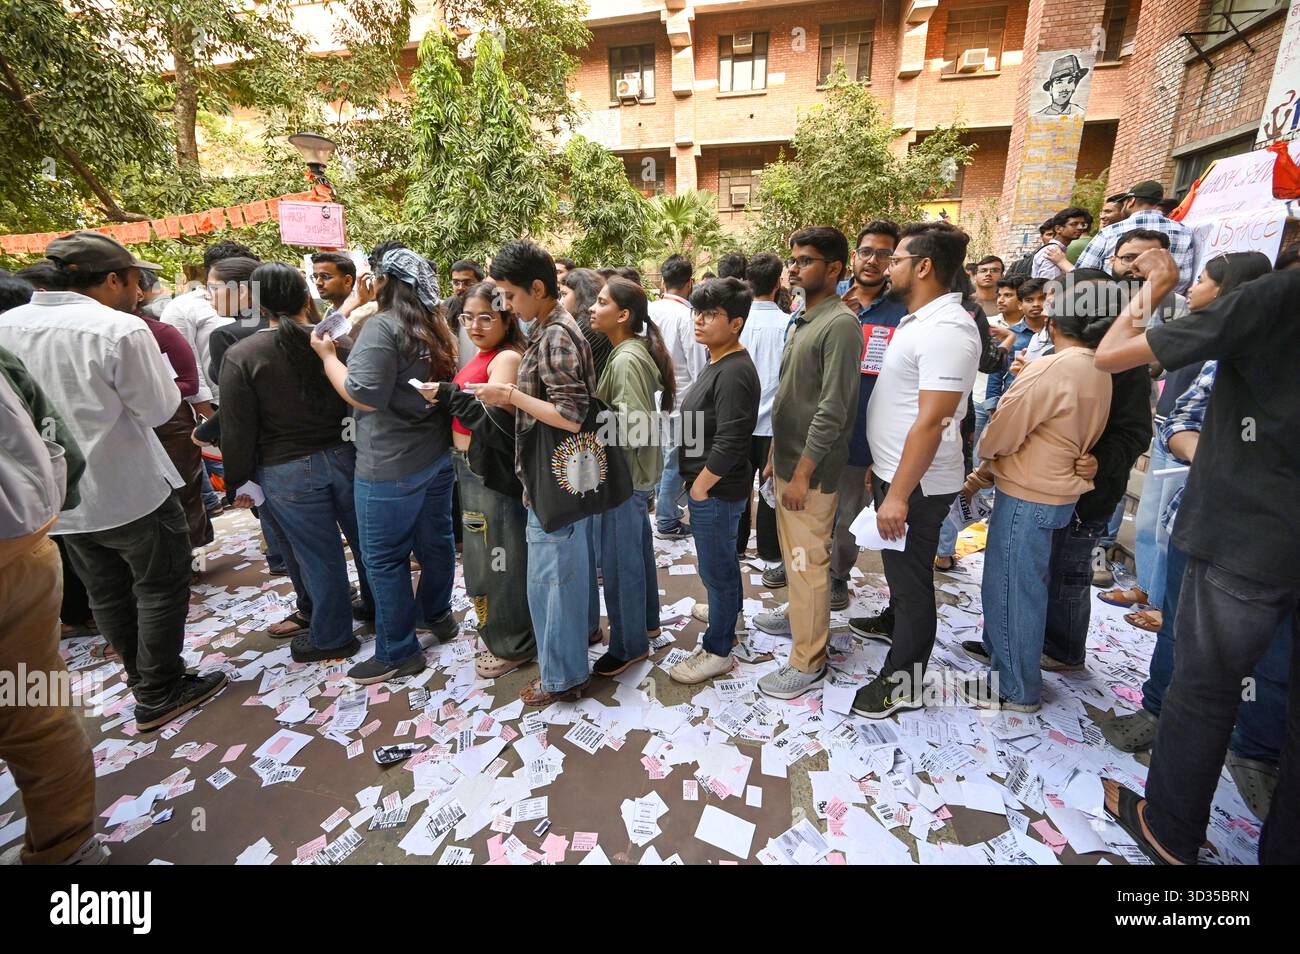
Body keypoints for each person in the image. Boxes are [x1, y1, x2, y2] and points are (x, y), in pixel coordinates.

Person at [1095, 248, 1300, 865]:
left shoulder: (1275, 298)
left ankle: (1171, 830)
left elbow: (1112, 354)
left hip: (1249, 538)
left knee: (1206, 687)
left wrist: (1157, 284)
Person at [0, 232, 227, 731]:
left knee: (105, 590)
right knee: (161, 584)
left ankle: (142, 677)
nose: (139, 289)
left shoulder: (6, 327)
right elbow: (157, 407)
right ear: (112, 279)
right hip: (130, 487)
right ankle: (160, 686)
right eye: (133, 280)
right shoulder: (117, 329)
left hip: (60, 496)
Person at [956, 278, 1114, 711]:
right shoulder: (1098, 366)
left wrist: (986, 455)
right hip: (1055, 492)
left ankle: (1014, 686)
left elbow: (1002, 431)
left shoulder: (1054, 367)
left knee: (1010, 587)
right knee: (1025, 583)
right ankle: (1006, 660)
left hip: (1030, 493)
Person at [847, 222, 981, 718]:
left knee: (911, 580)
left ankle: (903, 680)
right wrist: (882, 473)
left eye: (897, 259)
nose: (887, 266)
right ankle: (893, 620)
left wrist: (898, 494)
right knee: (898, 570)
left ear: (923, 266)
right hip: (898, 472)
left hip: (918, 484)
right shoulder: (920, 320)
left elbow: (932, 422)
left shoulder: (948, 330)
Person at [312, 248, 459, 684]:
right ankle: (437, 615)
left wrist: (328, 360)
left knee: (383, 558)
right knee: (436, 542)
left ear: (383, 281)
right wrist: (354, 307)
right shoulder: (434, 325)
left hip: (390, 465)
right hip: (434, 455)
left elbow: (363, 394)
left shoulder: (384, 327)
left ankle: (398, 650)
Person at [219, 263, 374, 664]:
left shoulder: (243, 354)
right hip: (347, 455)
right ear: (307, 297)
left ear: (257, 305)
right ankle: (379, 611)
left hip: (286, 470)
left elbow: (237, 428)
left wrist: (240, 481)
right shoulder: (334, 343)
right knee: (366, 544)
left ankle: (333, 634)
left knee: (317, 555)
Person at [475, 240, 603, 706]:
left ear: (537, 287)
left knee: (552, 585)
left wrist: (509, 395)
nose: (507, 305)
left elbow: (570, 415)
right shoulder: (551, 328)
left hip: (553, 483)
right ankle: (570, 662)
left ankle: (563, 678)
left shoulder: (555, 335)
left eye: (510, 295)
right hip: (556, 478)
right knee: (562, 578)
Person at [0, 365, 105, 865]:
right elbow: (57, 439)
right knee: (32, 708)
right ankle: (66, 846)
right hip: (17, 545)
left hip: (20, 548)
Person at [753, 227, 861, 700]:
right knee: (796, 561)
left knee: (807, 563)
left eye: (807, 260)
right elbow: (791, 396)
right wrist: (777, 455)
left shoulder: (839, 324)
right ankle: (799, 616)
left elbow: (832, 409)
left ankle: (808, 660)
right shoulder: (802, 316)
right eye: (792, 260)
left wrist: (800, 475)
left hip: (811, 472)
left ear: (835, 269)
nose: (794, 268)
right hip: (789, 461)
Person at [423, 280, 533, 679]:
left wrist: (449, 395)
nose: (475, 325)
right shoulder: (486, 353)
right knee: (487, 553)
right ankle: (506, 631)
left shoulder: (505, 358)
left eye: (486, 317)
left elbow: (493, 422)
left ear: (507, 317)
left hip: (487, 471)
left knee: (496, 557)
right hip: (470, 468)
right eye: (468, 317)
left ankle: (513, 643)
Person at [670, 277, 760, 685]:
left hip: (717, 489)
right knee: (719, 567)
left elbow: (732, 440)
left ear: (736, 323)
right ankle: (731, 612)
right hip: (710, 485)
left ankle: (718, 648)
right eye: (698, 313)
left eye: (711, 315)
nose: (699, 321)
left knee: (718, 570)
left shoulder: (735, 371)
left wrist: (701, 486)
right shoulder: (717, 360)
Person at [588, 277, 674, 676]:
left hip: (625, 477)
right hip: (636, 475)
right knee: (636, 552)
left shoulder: (625, 360)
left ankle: (628, 644)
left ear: (623, 315)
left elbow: (634, 427)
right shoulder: (633, 351)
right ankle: (647, 622)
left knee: (620, 562)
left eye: (601, 302)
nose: (592, 306)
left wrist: (590, 423)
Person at [827, 221, 909, 606]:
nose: (873, 260)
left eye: (883, 254)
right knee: (810, 512)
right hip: (822, 430)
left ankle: (837, 576)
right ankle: (801, 565)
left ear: (893, 262)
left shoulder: (903, 312)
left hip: (865, 437)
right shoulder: (830, 299)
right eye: (866, 252)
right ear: (854, 257)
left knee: (847, 518)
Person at [135, 282, 213, 550]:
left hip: (170, 422)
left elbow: (189, 382)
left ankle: (191, 556)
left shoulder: (160, 333)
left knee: (184, 491)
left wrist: (145, 393)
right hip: (128, 426)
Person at [734, 252, 786, 568]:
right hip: (773, 425)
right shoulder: (789, 325)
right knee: (770, 490)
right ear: (778, 283)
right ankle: (768, 551)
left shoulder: (736, 323)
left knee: (738, 489)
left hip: (740, 421)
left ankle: (737, 545)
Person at [160, 239, 258, 404]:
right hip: (216, 403)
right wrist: (203, 407)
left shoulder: (258, 308)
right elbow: (185, 364)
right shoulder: (182, 307)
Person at [651, 254, 704, 538]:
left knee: (663, 457)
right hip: (683, 401)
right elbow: (697, 366)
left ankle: (665, 510)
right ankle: (666, 520)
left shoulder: (648, 310)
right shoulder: (687, 317)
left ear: (662, 280)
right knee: (675, 460)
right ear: (690, 284)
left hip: (653, 397)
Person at [1077, 181, 1196, 291]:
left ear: (1131, 201)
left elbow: (1083, 272)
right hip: (1163, 306)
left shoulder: (1109, 232)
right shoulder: (1185, 232)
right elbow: (1184, 278)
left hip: (1112, 305)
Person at [560, 267, 613, 377]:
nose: (561, 302)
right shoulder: (585, 319)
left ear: (580, 293)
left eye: (564, 294)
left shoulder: (589, 322)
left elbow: (562, 361)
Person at [1033, 207, 1091, 279]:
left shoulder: (1059, 251)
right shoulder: (1053, 252)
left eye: (1083, 224)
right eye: (1074, 224)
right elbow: (1050, 286)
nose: (1080, 227)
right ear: (1058, 229)